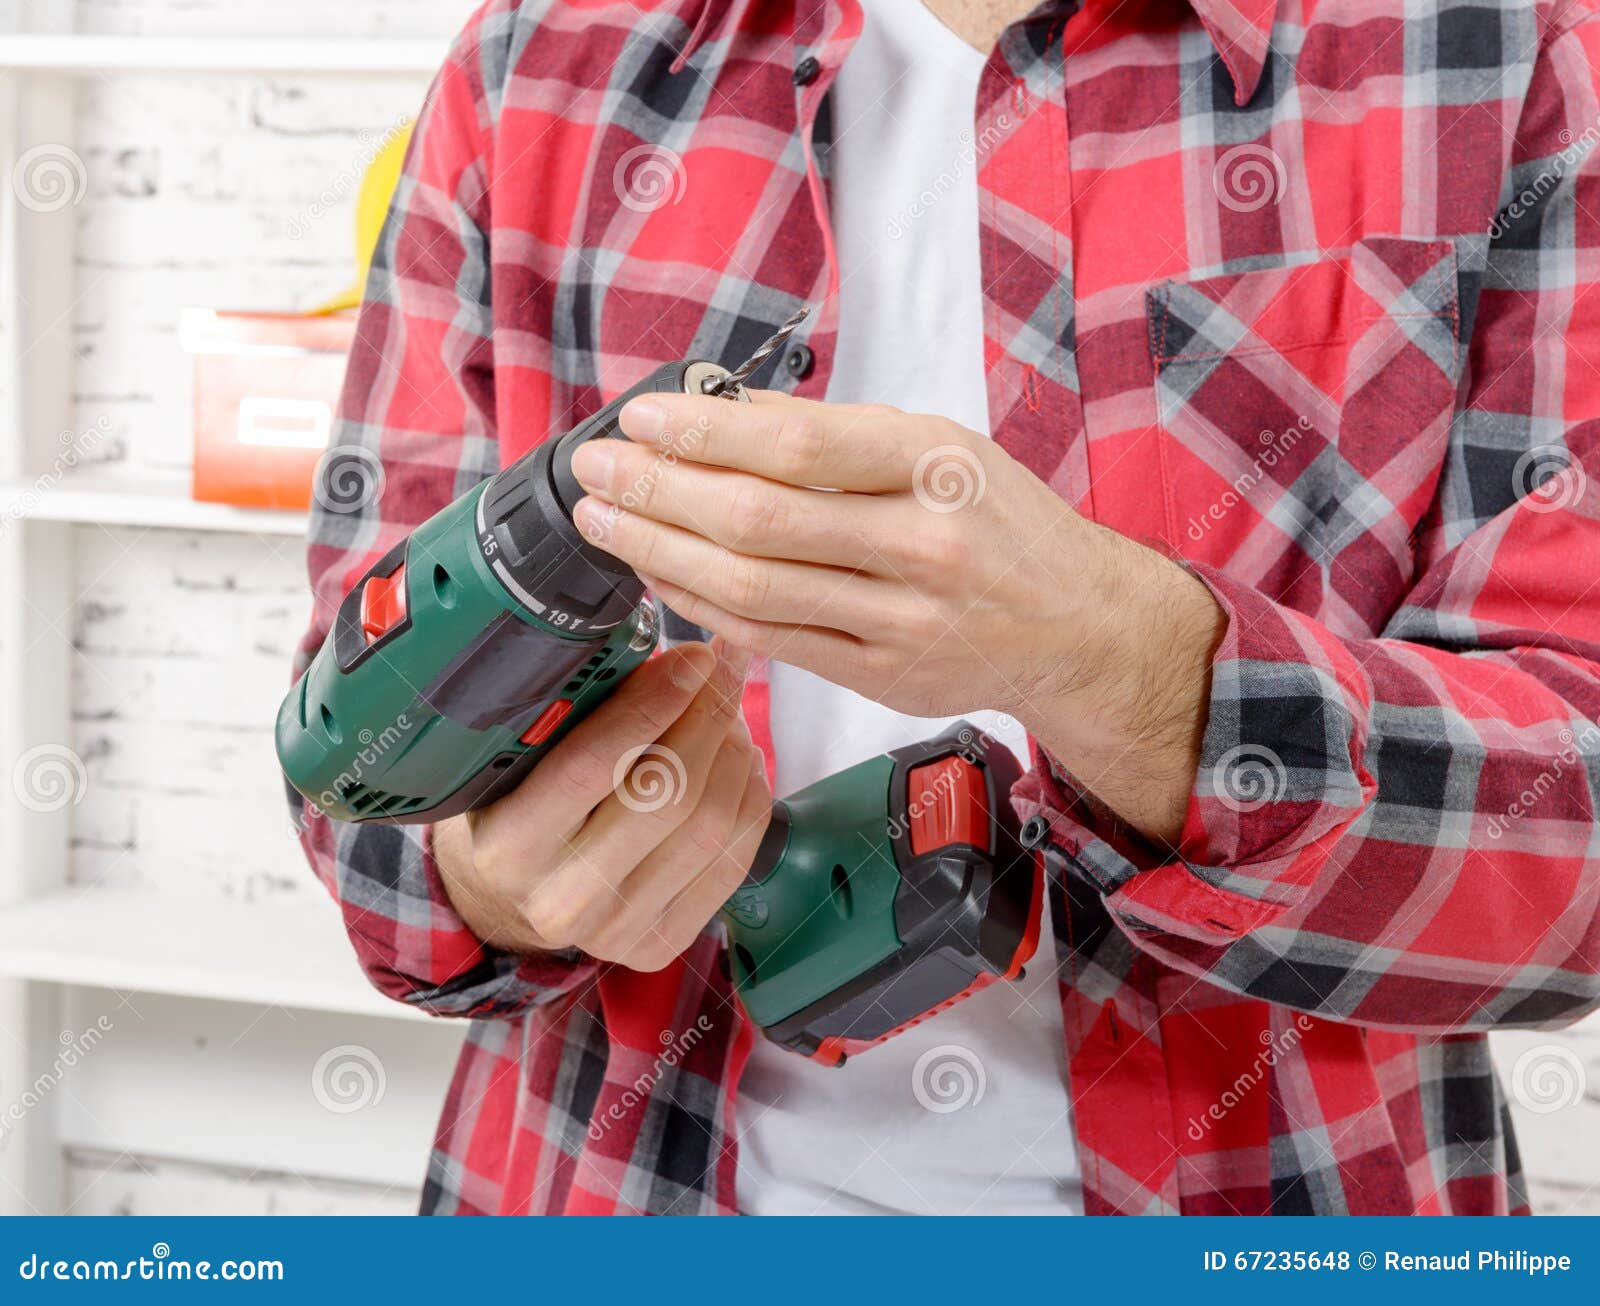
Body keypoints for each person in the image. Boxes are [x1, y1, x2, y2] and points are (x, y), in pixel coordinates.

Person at [289, 0, 1600, 1215]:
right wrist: (495, 882)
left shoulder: (1492, 54)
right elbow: (346, 771)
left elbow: (1577, 843)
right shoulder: (539, 61)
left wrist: (1126, 664)